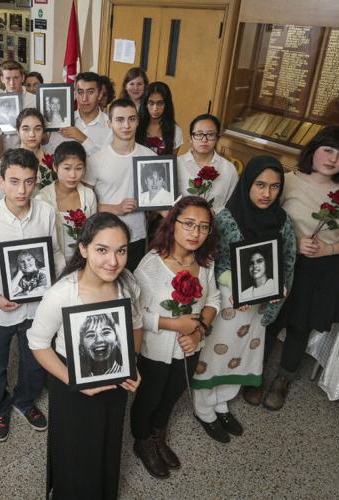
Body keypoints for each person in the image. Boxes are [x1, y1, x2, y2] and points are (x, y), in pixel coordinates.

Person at [28, 212, 142, 499]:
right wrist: (75, 381)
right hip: (70, 377)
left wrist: (132, 362)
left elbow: (136, 325)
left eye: (121, 251)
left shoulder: (127, 283)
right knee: (75, 447)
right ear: (83, 249)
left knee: (108, 438)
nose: (113, 261)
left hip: (114, 373)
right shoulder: (61, 294)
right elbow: (38, 343)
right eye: (102, 250)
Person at [256, 126, 339, 410]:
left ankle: (283, 380)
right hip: (283, 260)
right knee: (270, 319)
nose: (334, 159)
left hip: (322, 267)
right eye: (328, 150)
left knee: (300, 325)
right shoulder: (287, 181)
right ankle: (253, 374)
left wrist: (328, 249)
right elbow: (266, 221)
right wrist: (294, 242)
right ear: (314, 149)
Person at [0, 147, 65, 442]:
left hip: (36, 308)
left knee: (34, 361)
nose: (22, 190)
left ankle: (25, 401)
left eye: (29, 182)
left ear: (36, 181)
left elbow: (56, 253)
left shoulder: (45, 212)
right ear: (1, 181)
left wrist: (52, 285)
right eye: (14, 181)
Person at [191, 155, 296, 443]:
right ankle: (204, 407)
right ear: (247, 183)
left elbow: (287, 261)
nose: (267, 193)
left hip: (258, 306)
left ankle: (222, 401)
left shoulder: (283, 221)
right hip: (227, 302)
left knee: (242, 353)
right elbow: (213, 262)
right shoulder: (226, 218)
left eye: (274, 186)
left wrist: (279, 289)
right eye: (260, 185)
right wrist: (237, 286)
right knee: (215, 354)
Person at [131, 196, 219, 479]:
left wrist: (198, 330)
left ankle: (158, 435)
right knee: (149, 396)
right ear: (173, 223)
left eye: (203, 227)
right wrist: (174, 323)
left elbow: (213, 300)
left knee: (171, 395)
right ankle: (142, 440)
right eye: (189, 224)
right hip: (155, 351)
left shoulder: (205, 262)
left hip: (190, 347)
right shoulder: (151, 265)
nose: (196, 233)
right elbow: (135, 316)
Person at [83, 98, 156, 272]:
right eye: (120, 120)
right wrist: (116, 208)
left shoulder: (150, 157)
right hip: (104, 236)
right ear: (109, 123)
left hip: (137, 236)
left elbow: (158, 199)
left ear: (138, 121)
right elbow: (84, 204)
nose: (126, 125)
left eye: (131, 119)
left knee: (133, 283)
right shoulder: (96, 160)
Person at [35, 141, 97, 262]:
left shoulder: (89, 195)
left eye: (78, 168)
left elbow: (93, 233)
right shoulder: (42, 198)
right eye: (67, 168)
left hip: (82, 262)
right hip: (54, 263)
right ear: (55, 167)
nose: (73, 175)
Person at [177, 114, 238, 210]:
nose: (204, 140)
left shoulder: (229, 169)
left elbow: (231, 205)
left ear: (217, 138)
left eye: (210, 135)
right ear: (190, 138)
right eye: (199, 134)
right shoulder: (177, 164)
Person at [45, 72, 112, 158]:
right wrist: (44, 140)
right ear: (75, 94)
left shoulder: (110, 125)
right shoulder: (63, 122)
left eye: (90, 92)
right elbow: (51, 154)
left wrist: (83, 139)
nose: (84, 98)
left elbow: (108, 161)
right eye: (80, 92)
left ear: (100, 95)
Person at [136, 81, 183, 156]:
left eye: (160, 103)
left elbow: (171, 161)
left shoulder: (176, 131)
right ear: (145, 104)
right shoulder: (135, 126)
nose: (155, 108)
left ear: (167, 105)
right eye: (151, 103)